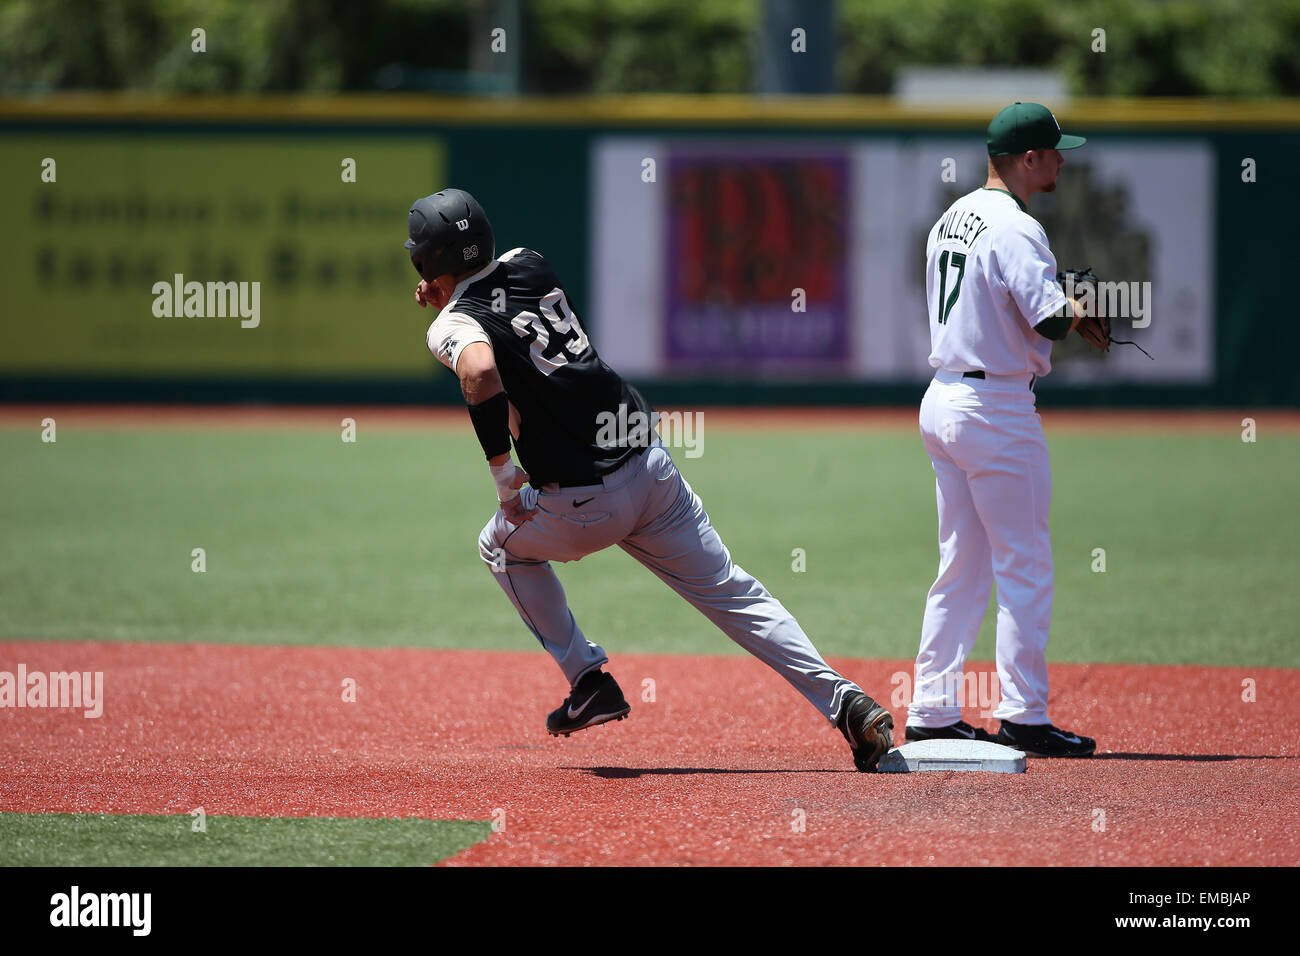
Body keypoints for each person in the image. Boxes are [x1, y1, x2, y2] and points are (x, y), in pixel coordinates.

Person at [406, 187, 894, 771]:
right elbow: (500, 311)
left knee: (499, 549)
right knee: (734, 592)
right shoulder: (528, 261)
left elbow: (481, 367)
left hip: (582, 500)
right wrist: (450, 295)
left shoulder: (452, 324)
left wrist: (504, 474)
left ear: (424, 263)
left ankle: (587, 679)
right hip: (650, 466)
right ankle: (846, 701)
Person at [907, 102, 1099, 757]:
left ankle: (932, 708)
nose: (1060, 160)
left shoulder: (950, 217)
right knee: (1024, 564)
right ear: (1026, 160)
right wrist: (1078, 308)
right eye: (1052, 151)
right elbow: (1047, 321)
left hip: (944, 398)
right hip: (995, 410)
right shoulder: (1016, 227)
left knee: (960, 565)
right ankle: (1023, 714)